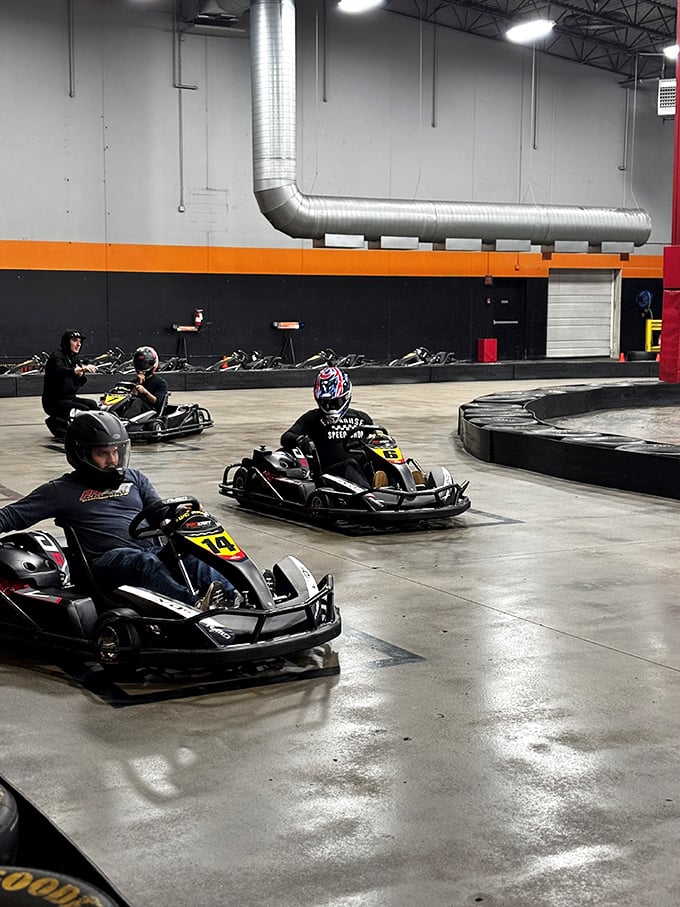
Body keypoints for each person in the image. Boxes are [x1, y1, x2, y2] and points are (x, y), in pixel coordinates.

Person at [0, 411, 239, 610]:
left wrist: (182, 514)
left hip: (149, 552)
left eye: (116, 451)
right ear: (81, 453)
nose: (113, 460)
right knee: (143, 561)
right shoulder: (61, 490)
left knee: (190, 552)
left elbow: (159, 512)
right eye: (103, 453)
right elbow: (11, 516)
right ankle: (194, 607)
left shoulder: (135, 478)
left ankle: (235, 598)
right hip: (105, 563)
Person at [280, 366, 382, 489]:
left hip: (361, 471)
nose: (330, 407)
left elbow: (376, 440)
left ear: (346, 397)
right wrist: (300, 440)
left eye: (336, 402)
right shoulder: (311, 419)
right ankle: (371, 495)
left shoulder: (362, 418)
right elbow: (286, 437)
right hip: (329, 474)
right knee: (349, 465)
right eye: (326, 403)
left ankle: (399, 488)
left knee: (380, 461)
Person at [41, 330, 99, 420]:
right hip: (54, 401)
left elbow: (81, 382)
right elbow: (60, 371)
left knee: (92, 404)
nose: (78, 344)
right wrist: (78, 370)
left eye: (80, 341)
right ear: (66, 342)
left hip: (70, 398)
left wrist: (81, 375)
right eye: (75, 341)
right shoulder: (57, 357)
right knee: (84, 410)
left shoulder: (74, 358)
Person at [131, 346, 168, 414]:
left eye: (144, 363)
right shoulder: (133, 382)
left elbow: (157, 402)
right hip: (136, 413)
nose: (141, 366)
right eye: (139, 363)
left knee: (138, 401)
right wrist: (138, 384)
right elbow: (131, 397)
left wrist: (145, 392)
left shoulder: (161, 383)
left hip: (151, 413)